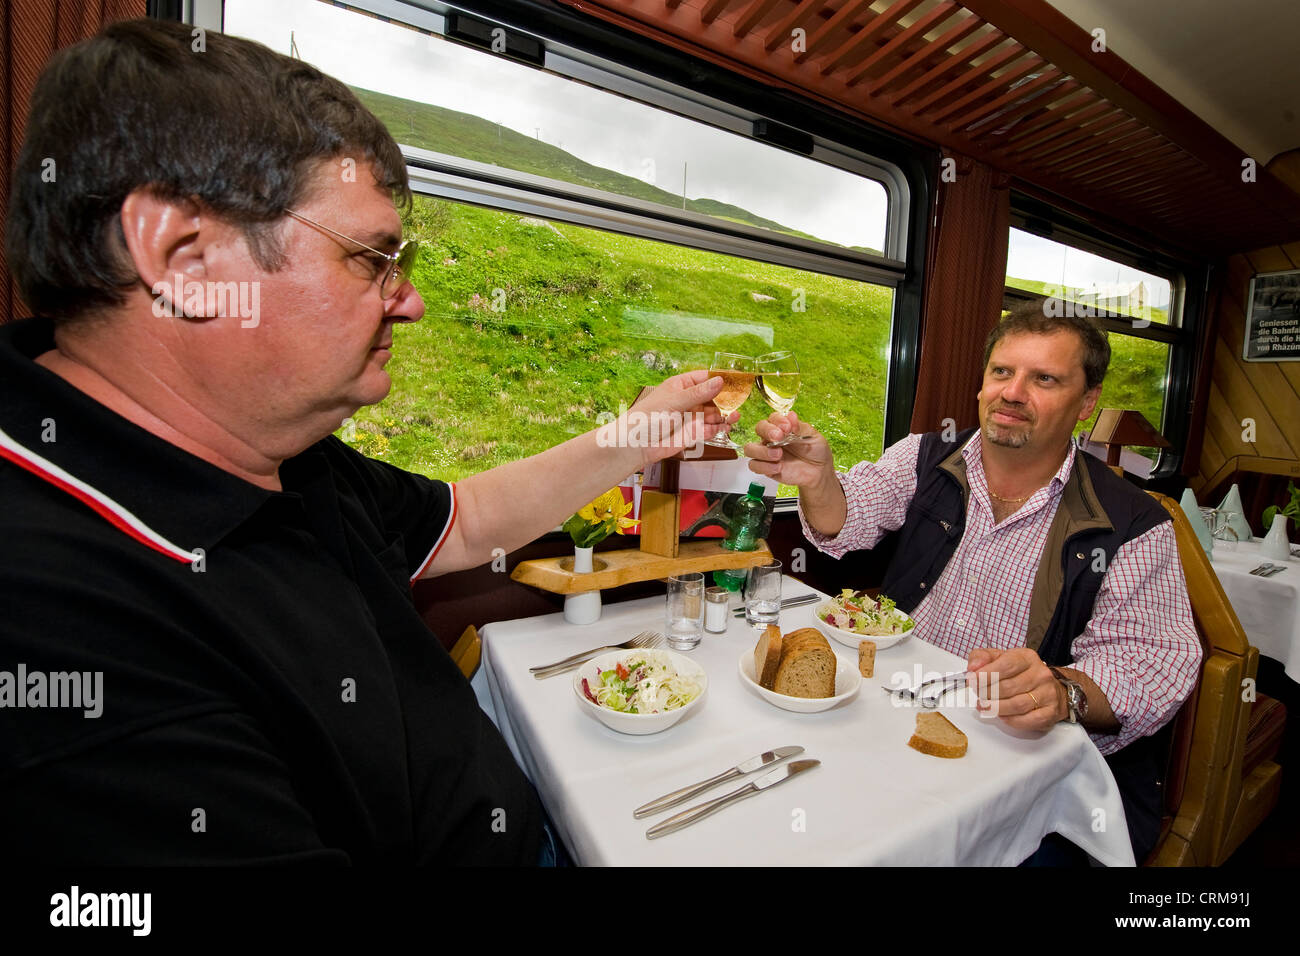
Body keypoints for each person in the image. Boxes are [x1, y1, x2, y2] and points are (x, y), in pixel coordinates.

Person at [0, 19, 730, 864]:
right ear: (183, 259)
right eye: (370, 257)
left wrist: (638, 435)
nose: (410, 301)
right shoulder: (52, 618)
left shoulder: (275, 454)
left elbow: (464, 522)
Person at [746, 302, 1202, 863]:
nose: (1013, 392)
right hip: (898, 704)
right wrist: (818, 480)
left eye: (1045, 379)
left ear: (1087, 404)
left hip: (1024, 758)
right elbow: (850, 519)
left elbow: (1154, 660)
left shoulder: (1133, 521)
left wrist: (1064, 690)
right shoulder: (926, 458)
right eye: (1002, 372)